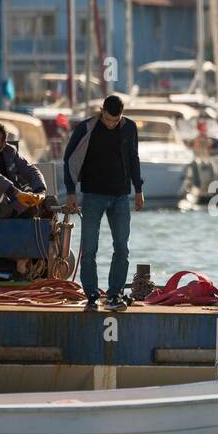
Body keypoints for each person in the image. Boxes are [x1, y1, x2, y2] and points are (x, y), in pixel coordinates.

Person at [63, 94, 144, 310]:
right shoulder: (86, 127)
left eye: (115, 121)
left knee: (122, 248)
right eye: (107, 119)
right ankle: (91, 295)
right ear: (102, 111)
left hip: (120, 196)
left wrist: (139, 189)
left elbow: (134, 158)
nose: (111, 124)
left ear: (121, 115)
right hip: (92, 195)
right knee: (89, 249)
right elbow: (68, 159)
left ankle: (114, 295)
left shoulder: (129, 128)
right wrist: (71, 192)